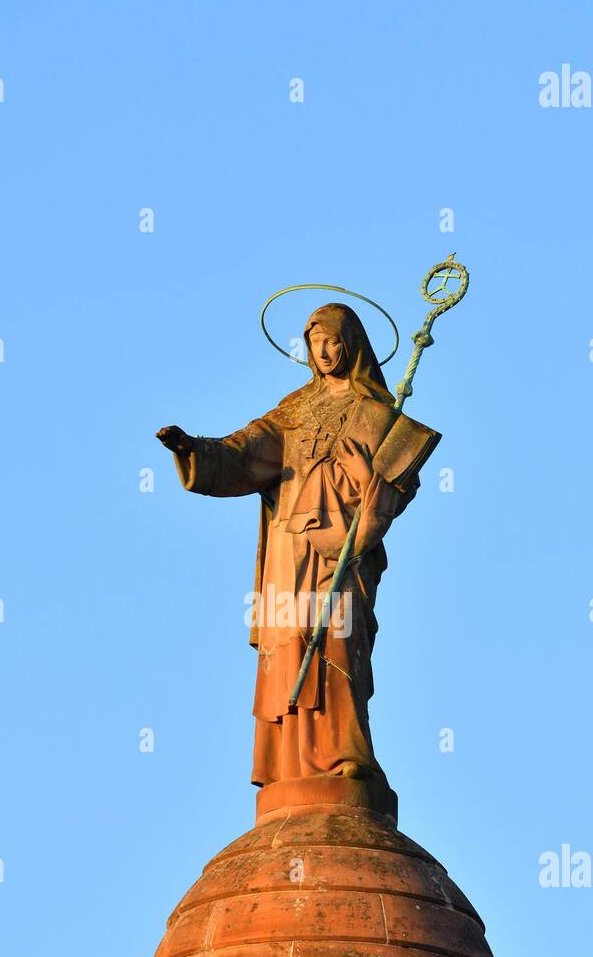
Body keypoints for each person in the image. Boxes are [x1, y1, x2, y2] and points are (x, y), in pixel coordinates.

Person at [157, 302, 439, 791]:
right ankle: (288, 765)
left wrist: (367, 478)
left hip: (343, 547)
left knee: (338, 638)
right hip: (290, 549)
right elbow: (244, 451)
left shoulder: (375, 413)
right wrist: (194, 449)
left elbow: (397, 487)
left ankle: (348, 753)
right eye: (315, 342)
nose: (324, 351)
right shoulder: (296, 409)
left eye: (332, 341)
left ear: (351, 344)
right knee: (289, 643)